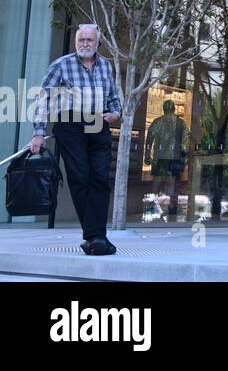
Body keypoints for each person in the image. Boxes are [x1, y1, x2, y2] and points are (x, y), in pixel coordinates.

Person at [28, 24, 123, 256]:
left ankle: (96, 236)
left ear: (97, 42)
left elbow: (113, 96)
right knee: (80, 177)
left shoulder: (106, 66)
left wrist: (115, 113)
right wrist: (39, 132)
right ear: (76, 42)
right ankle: (96, 236)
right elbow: (43, 100)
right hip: (69, 124)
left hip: (98, 123)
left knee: (100, 178)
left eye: (89, 40)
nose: (85, 44)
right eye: (81, 40)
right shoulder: (61, 65)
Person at [144, 99, 189, 218]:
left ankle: (152, 206)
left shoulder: (157, 122)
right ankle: (171, 208)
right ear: (174, 109)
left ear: (164, 109)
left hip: (159, 156)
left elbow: (149, 138)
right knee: (172, 183)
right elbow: (185, 142)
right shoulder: (181, 123)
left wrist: (147, 154)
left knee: (157, 182)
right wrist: (184, 158)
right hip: (174, 157)